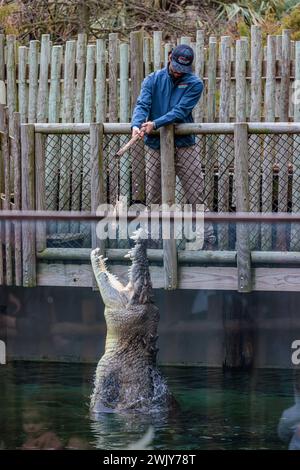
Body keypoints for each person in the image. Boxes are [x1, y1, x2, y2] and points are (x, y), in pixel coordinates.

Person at [131, 44, 215, 248]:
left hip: (185, 145)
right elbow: (142, 104)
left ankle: (207, 237)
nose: (178, 71)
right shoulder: (152, 80)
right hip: (155, 145)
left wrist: (155, 123)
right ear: (169, 57)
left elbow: (180, 111)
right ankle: (153, 238)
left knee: (195, 192)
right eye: (176, 65)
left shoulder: (195, 84)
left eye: (183, 68)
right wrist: (136, 124)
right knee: (154, 193)